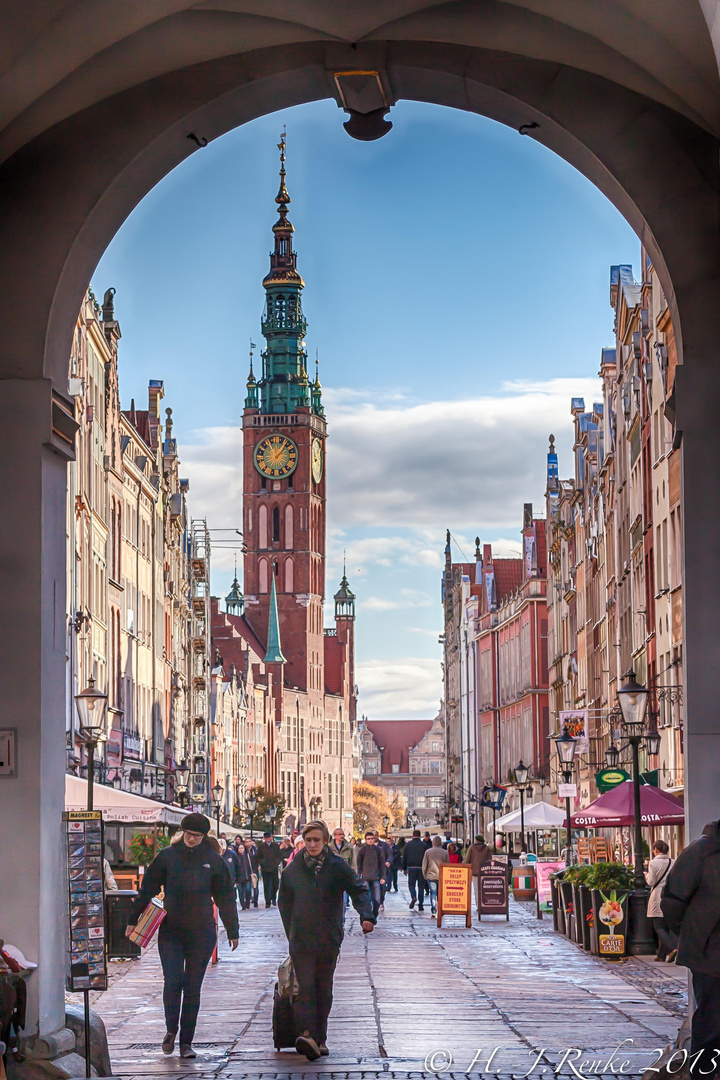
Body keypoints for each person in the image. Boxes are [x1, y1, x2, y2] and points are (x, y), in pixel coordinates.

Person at [124, 813, 239, 1060]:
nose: (191, 839)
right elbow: (147, 889)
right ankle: (170, 1030)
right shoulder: (167, 857)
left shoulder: (213, 860)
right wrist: (133, 919)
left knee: (193, 986)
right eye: (188, 834)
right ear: (182, 833)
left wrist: (233, 929)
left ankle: (187, 1042)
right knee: (173, 981)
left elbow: (226, 897)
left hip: (202, 932)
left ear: (204, 836)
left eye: (196, 836)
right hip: (172, 931)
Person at [277, 820, 375, 1061]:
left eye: (316, 840)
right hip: (301, 939)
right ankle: (307, 1034)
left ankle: (319, 1038)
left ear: (325, 841)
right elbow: (284, 903)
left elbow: (358, 888)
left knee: (324, 989)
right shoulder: (293, 869)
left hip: (328, 937)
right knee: (305, 988)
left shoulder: (337, 866)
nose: (311, 845)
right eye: (308, 840)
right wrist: (291, 930)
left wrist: (366, 915)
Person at [663, 823, 720, 1076]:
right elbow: (673, 901)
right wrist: (696, 932)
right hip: (712, 955)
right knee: (712, 1023)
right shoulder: (703, 851)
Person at [645, 839, 676, 962]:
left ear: (656, 850)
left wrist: (645, 876)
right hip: (670, 895)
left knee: (658, 926)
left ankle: (672, 948)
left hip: (658, 895)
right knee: (666, 925)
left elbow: (651, 882)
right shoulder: (673, 862)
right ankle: (661, 955)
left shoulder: (653, 863)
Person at [356, 831, 385, 917]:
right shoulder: (362, 850)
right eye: (368, 839)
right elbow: (359, 863)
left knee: (377, 898)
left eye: (372, 838)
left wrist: (383, 876)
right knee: (367, 897)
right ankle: (368, 914)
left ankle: (375, 912)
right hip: (365, 877)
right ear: (365, 840)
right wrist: (359, 874)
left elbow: (382, 864)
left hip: (376, 877)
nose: (370, 840)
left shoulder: (378, 850)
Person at [422, 836, 449, 915]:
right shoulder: (445, 852)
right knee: (440, 893)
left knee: (433, 892)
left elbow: (424, 865)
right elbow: (448, 865)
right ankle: (440, 907)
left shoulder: (428, 852)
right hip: (442, 876)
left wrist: (425, 875)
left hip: (431, 875)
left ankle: (434, 909)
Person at [465, 836, 491, 915]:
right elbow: (490, 859)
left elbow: (467, 859)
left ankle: (478, 906)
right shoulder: (486, 848)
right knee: (483, 889)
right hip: (484, 871)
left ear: (476, 840)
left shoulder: (472, 847)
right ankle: (484, 904)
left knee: (476, 889)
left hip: (474, 871)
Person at [402, 829, 427, 911]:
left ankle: (413, 896)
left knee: (411, 885)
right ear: (420, 835)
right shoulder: (424, 845)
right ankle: (421, 904)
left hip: (411, 867)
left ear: (413, 835)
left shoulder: (408, 844)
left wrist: (404, 868)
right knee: (421, 887)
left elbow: (404, 856)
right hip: (421, 868)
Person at [257, 831, 283, 907]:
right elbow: (258, 857)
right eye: (266, 838)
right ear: (264, 838)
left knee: (275, 884)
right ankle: (267, 901)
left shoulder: (275, 846)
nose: (268, 839)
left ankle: (273, 898)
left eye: (269, 837)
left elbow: (279, 856)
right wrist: (263, 862)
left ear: (271, 838)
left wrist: (276, 863)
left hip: (274, 868)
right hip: (265, 869)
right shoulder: (261, 846)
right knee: (266, 885)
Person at [374, 830, 391, 911]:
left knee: (382, 887)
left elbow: (390, 854)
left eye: (376, 835)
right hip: (371, 870)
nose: (374, 837)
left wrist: (388, 861)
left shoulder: (384, 845)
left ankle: (381, 902)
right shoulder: (367, 846)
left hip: (382, 870)